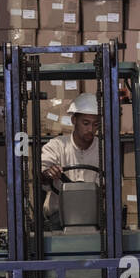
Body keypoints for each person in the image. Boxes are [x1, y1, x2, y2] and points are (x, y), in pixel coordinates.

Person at [40, 92, 100, 227]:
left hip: (95, 218)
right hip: (59, 217)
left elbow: (112, 185)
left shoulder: (105, 150)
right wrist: (48, 173)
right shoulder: (57, 145)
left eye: (95, 124)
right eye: (86, 123)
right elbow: (41, 173)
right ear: (74, 120)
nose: (91, 129)